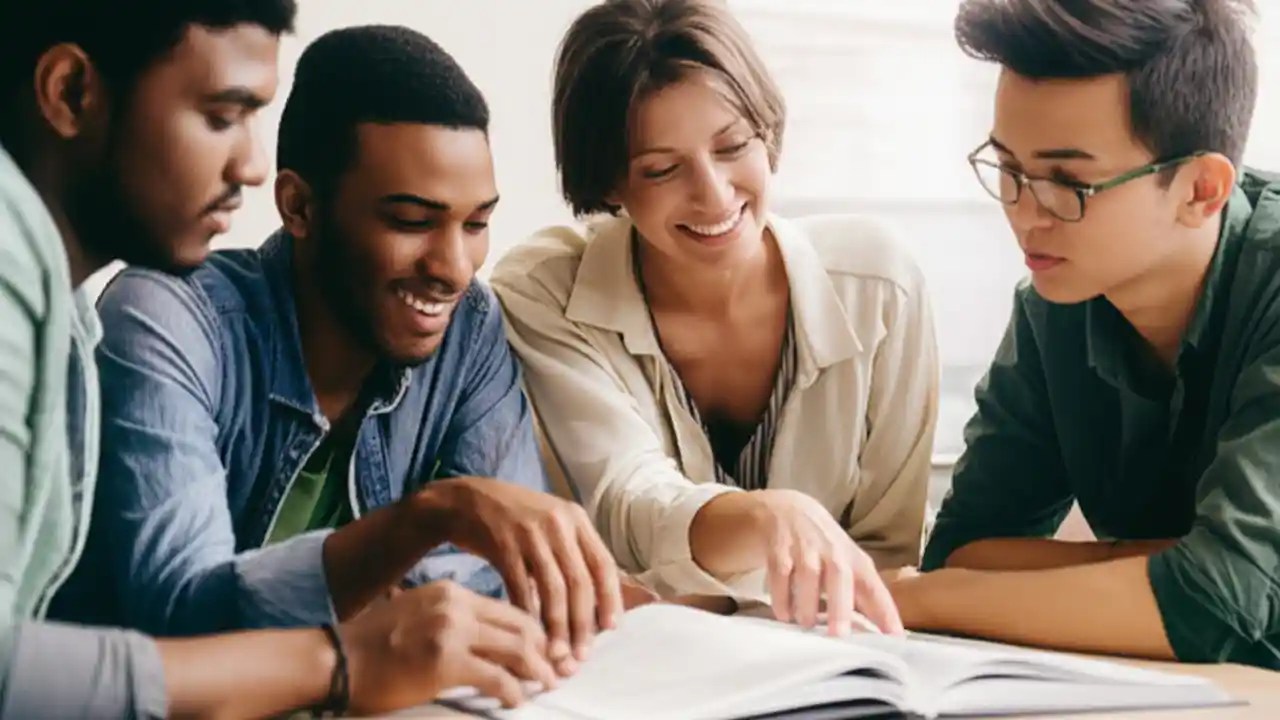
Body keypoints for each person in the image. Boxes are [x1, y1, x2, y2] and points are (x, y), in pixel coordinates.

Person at [0, 5, 572, 716]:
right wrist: (364, 619)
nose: (249, 163)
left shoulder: (467, 325)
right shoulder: (128, 303)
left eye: (478, 223)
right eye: (221, 115)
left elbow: (505, 580)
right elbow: (179, 613)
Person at [492, 0, 940, 636]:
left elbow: (886, 557)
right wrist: (767, 519)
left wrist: (700, 591)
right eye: (663, 169)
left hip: (839, 657)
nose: (714, 193)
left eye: (733, 146)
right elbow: (625, 506)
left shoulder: (879, 287)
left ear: (767, 133)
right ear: (610, 181)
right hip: (650, 666)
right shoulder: (542, 292)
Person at [896, 0, 1280, 669]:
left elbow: (1211, 603)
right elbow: (968, 548)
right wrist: (1162, 567)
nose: (1022, 214)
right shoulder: (1059, 302)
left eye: (1067, 182)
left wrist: (916, 602)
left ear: (1200, 189)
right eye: (1008, 167)